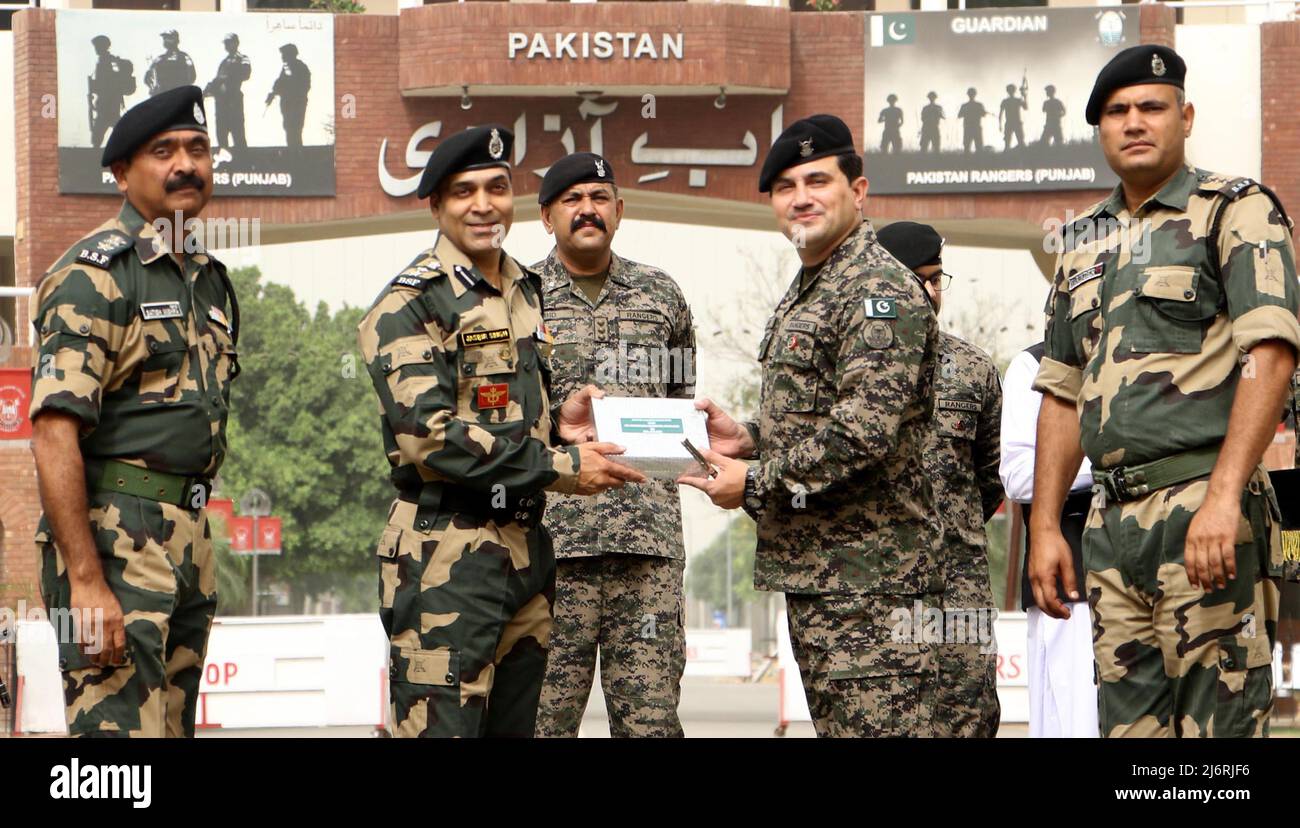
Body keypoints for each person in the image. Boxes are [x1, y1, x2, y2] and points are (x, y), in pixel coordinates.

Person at [1030, 44, 1300, 738]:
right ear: (1101, 132)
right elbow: (1062, 391)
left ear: (1185, 115)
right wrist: (1043, 528)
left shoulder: (1233, 209)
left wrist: (1221, 497)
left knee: (1218, 742)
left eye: (1151, 107)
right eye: (1116, 112)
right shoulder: (1081, 240)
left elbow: (1268, 356)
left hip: (1204, 511)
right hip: (1110, 530)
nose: (1134, 121)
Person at [356, 126, 644, 738]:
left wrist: (560, 429)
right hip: (443, 553)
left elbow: (504, 413)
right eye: (464, 192)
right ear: (436, 205)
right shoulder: (409, 305)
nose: (483, 205)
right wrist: (562, 468)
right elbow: (431, 436)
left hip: (525, 548)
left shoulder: (522, 291)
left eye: (496, 188)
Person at [679, 115, 943, 737]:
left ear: (858, 191)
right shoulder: (813, 286)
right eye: (785, 186)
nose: (801, 197)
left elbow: (864, 430)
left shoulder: (877, 287)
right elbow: (822, 415)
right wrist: (751, 437)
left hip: (874, 585)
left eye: (817, 180)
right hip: (828, 578)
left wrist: (754, 480)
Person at [29, 86, 238, 737]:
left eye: (198, 149)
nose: (186, 164)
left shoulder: (209, 278)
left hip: (188, 533)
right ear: (122, 174)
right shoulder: (95, 275)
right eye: (163, 151)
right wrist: (87, 583)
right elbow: (53, 431)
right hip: (115, 537)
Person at [531, 152, 696, 738]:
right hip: (549, 550)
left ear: (620, 211)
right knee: (541, 722)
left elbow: (680, 403)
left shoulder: (662, 295)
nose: (587, 210)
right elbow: (499, 422)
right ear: (545, 214)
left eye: (599, 197)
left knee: (651, 725)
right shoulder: (520, 299)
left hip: (647, 548)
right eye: (572, 199)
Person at [878, 221, 1003, 738]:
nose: (931, 292)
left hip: (958, 589)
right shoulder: (845, 369)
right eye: (919, 278)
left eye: (936, 278)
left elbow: (992, 479)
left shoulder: (973, 368)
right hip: (874, 588)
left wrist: (950, 529)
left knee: (968, 718)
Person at [1001, 340, 1098, 738]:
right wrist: (1118, 457)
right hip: (1069, 587)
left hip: (1152, 572)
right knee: (1072, 723)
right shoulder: (1034, 364)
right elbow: (1020, 475)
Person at [205, 34, 251, 150]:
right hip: (221, 101)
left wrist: (227, 77)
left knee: (237, 131)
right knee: (221, 132)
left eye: (229, 43)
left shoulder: (242, 58)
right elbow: (217, 79)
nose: (226, 45)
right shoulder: (224, 62)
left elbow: (245, 74)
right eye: (225, 43)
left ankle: (242, 162)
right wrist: (206, 91)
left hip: (233, 99)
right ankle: (225, 160)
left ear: (236, 43)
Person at [88, 35, 135, 149]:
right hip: (105, 101)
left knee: (99, 132)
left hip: (110, 102)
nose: (96, 49)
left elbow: (114, 80)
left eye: (98, 46)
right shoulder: (103, 61)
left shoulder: (111, 62)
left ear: (104, 46)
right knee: (102, 131)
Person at [267, 44, 310, 148]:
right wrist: (273, 93)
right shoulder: (289, 67)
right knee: (291, 129)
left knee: (294, 129)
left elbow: (298, 85)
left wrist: (277, 92)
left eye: (284, 54)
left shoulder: (297, 67)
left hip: (295, 103)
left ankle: (295, 153)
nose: (282, 56)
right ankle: (294, 151)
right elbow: (280, 83)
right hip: (289, 102)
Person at [144, 30, 195, 97]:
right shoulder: (159, 59)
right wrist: (153, 88)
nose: (165, 40)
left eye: (168, 38)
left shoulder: (184, 57)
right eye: (164, 38)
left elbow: (192, 76)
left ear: (175, 40)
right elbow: (148, 77)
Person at [958, 88, 987, 154]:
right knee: (973, 146)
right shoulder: (979, 105)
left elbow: (959, 115)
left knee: (970, 146)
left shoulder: (965, 105)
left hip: (970, 127)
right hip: (974, 127)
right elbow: (984, 114)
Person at [999, 83, 1027, 151]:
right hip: (1013, 123)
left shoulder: (1007, 101)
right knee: (1013, 142)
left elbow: (1025, 107)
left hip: (1012, 123)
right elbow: (1025, 107)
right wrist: (1024, 97)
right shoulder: (1015, 100)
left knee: (1012, 142)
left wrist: (1024, 96)